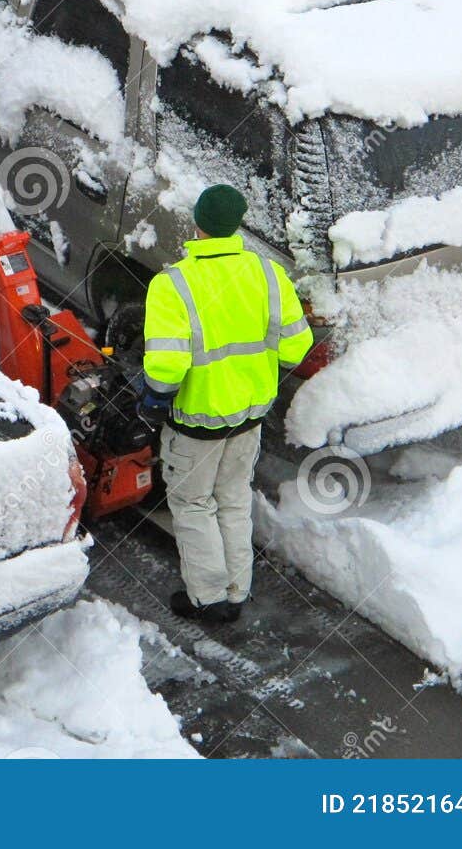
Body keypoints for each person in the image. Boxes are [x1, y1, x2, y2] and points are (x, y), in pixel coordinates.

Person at [138, 184, 314, 624]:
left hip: (196, 422)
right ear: (237, 224)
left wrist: (151, 399)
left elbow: (164, 370)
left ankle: (208, 598)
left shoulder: (171, 284)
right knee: (234, 498)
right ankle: (238, 590)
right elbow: (296, 347)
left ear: (197, 224)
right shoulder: (269, 274)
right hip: (249, 417)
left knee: (194, 505)